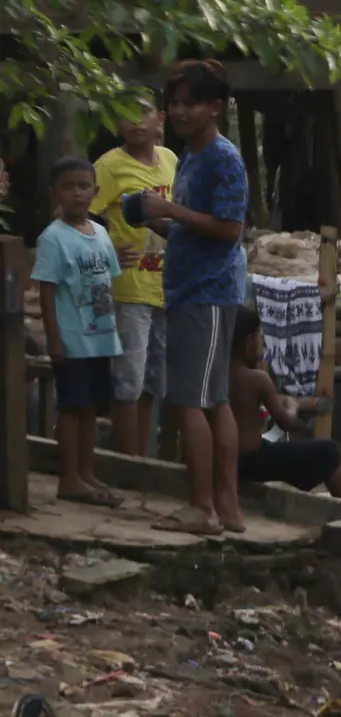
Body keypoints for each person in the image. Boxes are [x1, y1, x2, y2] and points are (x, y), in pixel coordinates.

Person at [139, 60, 249, 536]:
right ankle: (228, 509)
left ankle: (202, 508)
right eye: (175, 103)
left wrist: (170, 208)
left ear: (216, 107)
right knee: (213, 400)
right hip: (191, 288)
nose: (180, 112)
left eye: (190, 103)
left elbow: (229, 229)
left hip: (206, 292)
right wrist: (156, 219)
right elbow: (194, 227)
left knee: (189, 400)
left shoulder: (223, 158)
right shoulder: (190, 154)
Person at [31, 158, 123, 506]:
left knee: (91, 408)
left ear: (95, 191)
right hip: (72, 340)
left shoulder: (101, 233)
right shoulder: (53, 238)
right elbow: (47, 290)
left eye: (84, 186)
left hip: (100, 337)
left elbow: (108, 284)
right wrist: (54, 338)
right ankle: (69, 477)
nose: (77, 193)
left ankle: (86, 472)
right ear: (54, 193)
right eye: (68, 187)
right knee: (71, 408)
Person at [91, 94, 177, 457]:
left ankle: (143, 461)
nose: (136, 121)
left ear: (160, 118)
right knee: (128, 382)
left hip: (167, 288)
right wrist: (105, 251)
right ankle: (127, 465)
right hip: (128, 289)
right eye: (126, 114)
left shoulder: (171, 159)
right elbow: (75, 215)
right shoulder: (109, 165)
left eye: (143, 112)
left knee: (153, 383)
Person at [229, 306, 341, 499]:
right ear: (247, 342)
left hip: (227, 458)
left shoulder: (214, 375)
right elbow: (287, 422)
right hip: (253, 462)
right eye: (257, 338)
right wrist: (292, 405)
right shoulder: (257, 379)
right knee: (329, 451)